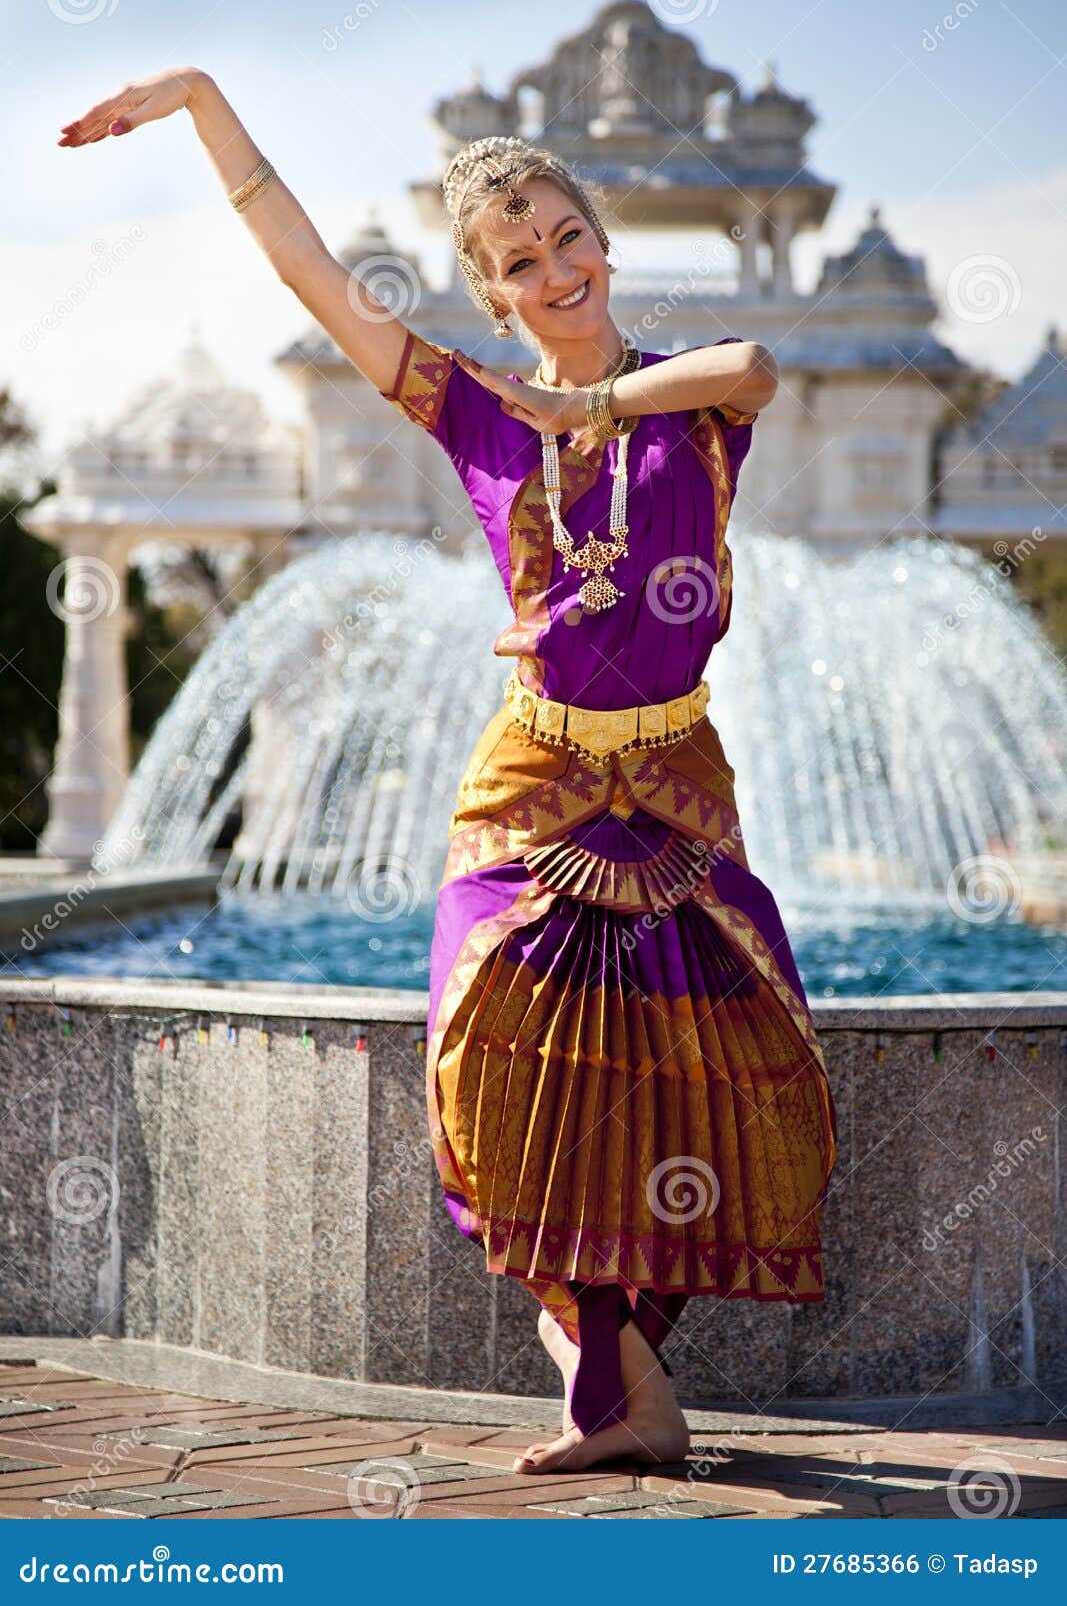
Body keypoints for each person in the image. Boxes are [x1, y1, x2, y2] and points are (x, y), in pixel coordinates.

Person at [58, 73, 838, 1477]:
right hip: (533, 773)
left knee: (737, 1051)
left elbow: (756, 365)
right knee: (479, 1063)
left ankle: (629, 1382)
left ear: (601, 235)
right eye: (520, 263)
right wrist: (201, 102)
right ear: (493, 294)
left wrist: (596, 409)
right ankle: (625, 1386)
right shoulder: (470, 410)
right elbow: (305, 263)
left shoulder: (702, 400)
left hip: (679, 779)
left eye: (566, 238)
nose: (555, 273)